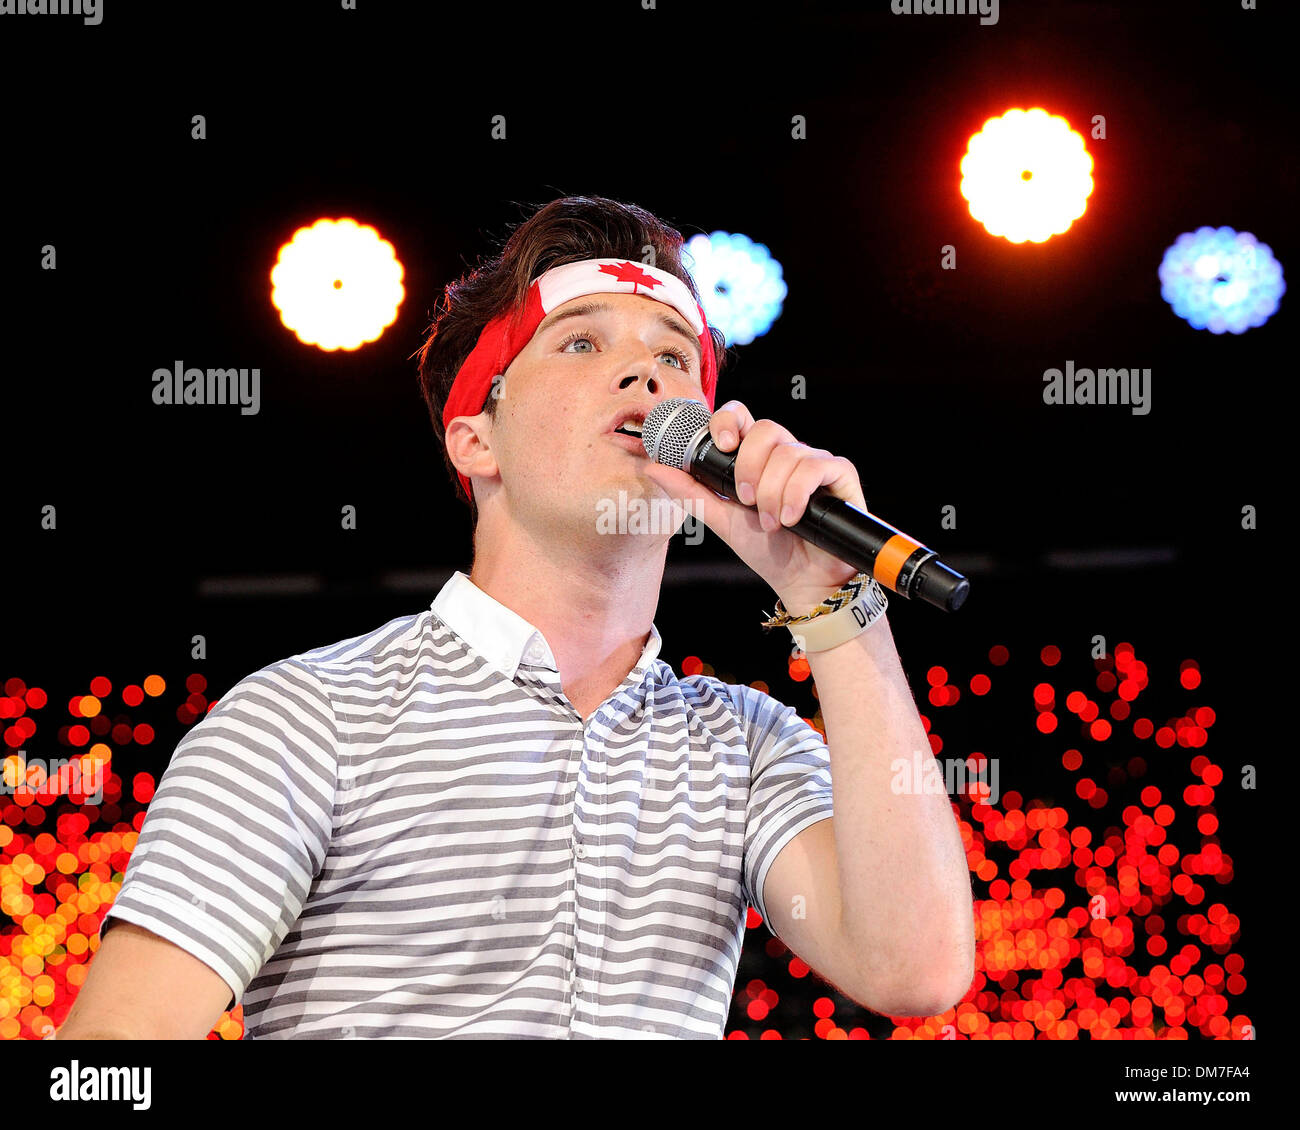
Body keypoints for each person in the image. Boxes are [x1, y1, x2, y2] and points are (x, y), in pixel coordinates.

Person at [56, 195, 974, 1040]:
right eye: (581, 344)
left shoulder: (744, 744)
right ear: (476, 437)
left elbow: (917, 969)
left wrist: (831, 600)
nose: (643, 376)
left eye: (673, 356)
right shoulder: (307, 719)